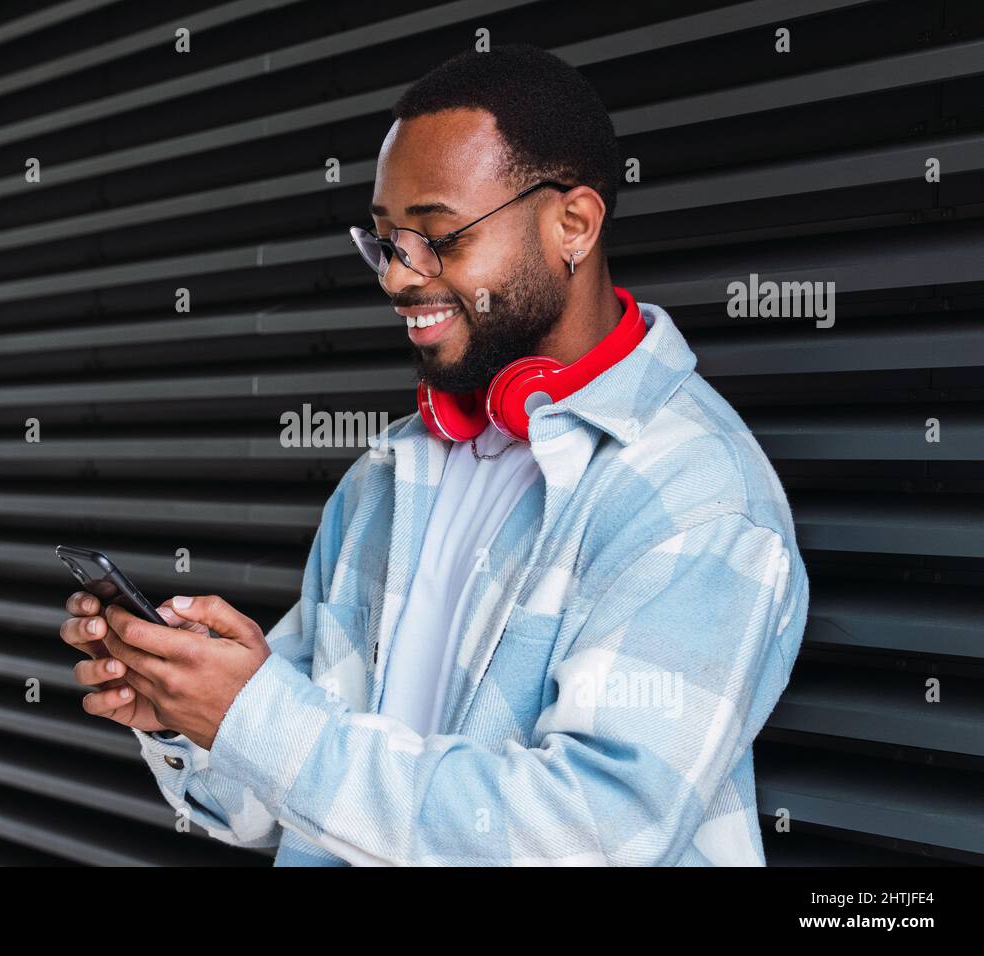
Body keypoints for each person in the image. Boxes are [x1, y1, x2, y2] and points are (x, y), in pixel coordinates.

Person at [59, 43, 809, 866]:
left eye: (440, 237)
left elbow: (592, 834)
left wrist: (258, 716)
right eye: (386, 242)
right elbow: (281, 803)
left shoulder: (695, 491)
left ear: (574, 225)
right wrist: (188, 712)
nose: (398, 278)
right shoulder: (388, 475)